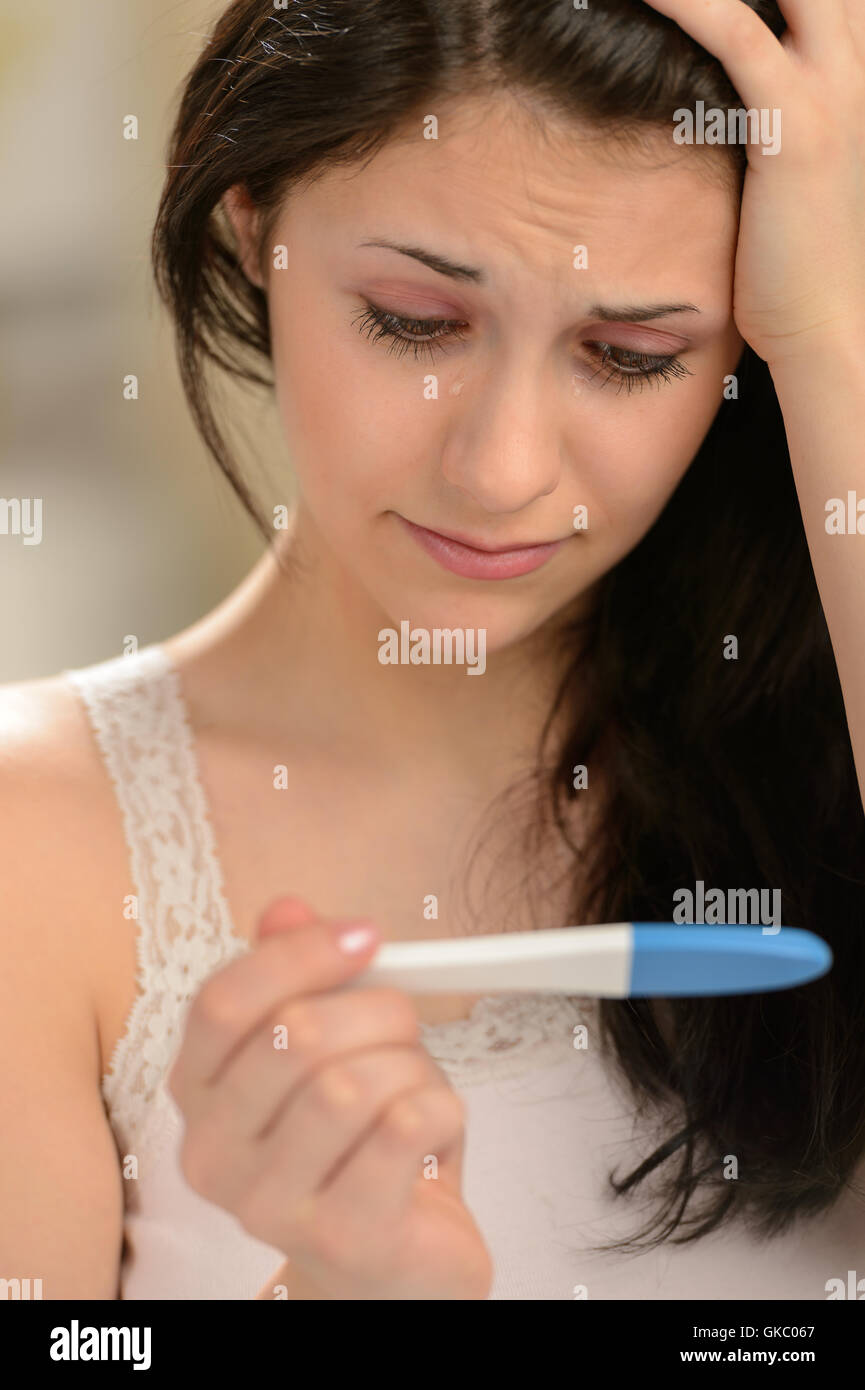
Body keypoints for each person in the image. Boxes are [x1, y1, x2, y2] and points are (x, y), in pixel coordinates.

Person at [2, 0, 864, 1301]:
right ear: (252, 227)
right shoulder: (33, 849)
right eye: (414, 320)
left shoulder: (816, 726)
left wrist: (836, 346)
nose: (502, 468)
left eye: (630, 355)